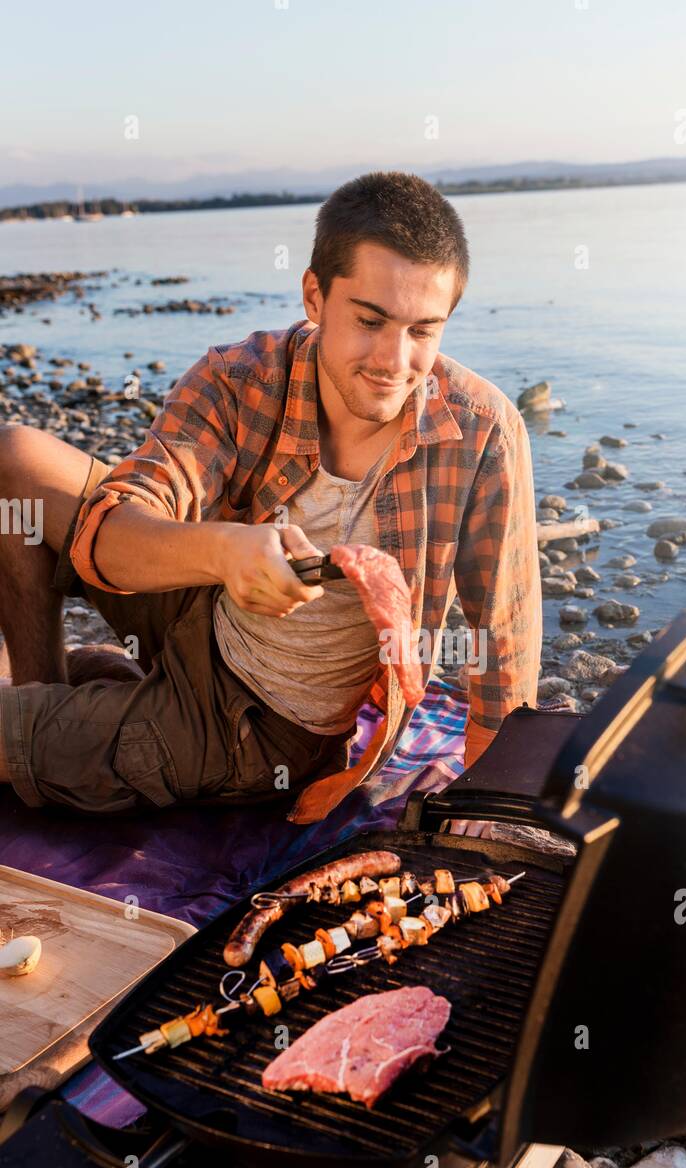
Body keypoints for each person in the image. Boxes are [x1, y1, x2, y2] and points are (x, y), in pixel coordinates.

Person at [0, 171, 541, 824]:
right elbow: (114, 530)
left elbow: (502, 662)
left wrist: (490, 817)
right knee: (16, 459)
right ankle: (44, 711)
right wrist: (225, 552)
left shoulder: (482, 430)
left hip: (258, 724)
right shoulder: (242, 378)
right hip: (204, 606)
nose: (395, 361)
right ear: (314, 295)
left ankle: (44, 735)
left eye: (423, 330)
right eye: (370, 320)